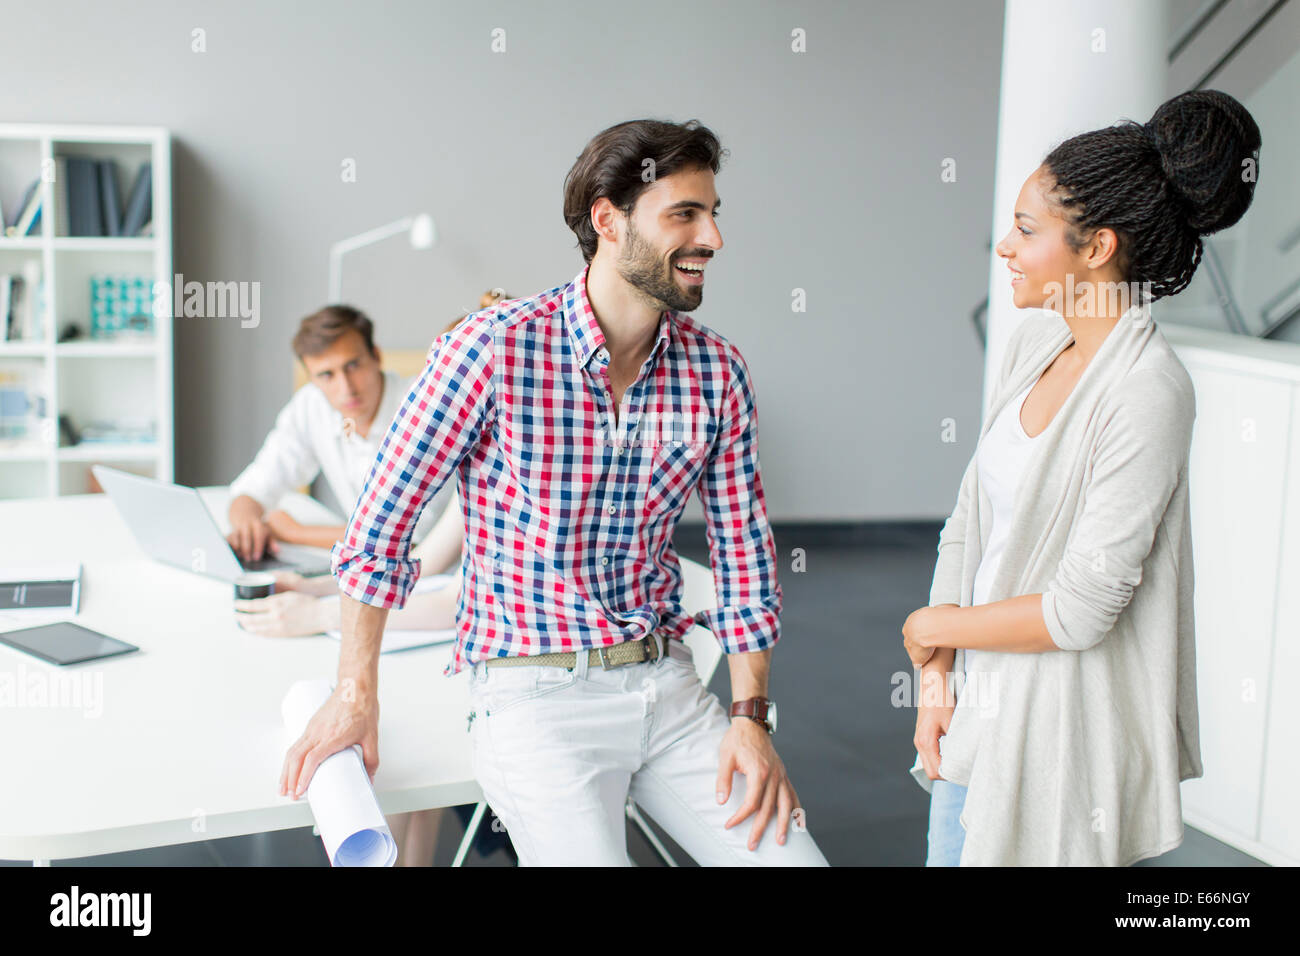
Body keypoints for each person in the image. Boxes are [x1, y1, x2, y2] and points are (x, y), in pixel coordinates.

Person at [279, 118, 828, 866]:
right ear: (609, 219)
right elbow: (380, 530)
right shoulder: (491, 349)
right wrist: (354, 694)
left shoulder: (717, 373)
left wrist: (750, 718)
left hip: (665, 687)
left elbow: (743, 561)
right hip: (533, 700)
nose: (713, 238)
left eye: (714, 213)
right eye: (684, 215)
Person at [902, 89, 1261, 866]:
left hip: (1058, 745)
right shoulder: (1034, 344)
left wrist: (933, 631)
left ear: (1096, 248)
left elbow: (1080, 610)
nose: (1004, 245)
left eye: (1028, 230)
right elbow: (968, 524)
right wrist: (937, 687)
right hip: (975, 719)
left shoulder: (1148, 391)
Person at [225, 304, 449, 564]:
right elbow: (257, 483)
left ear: (376, 356)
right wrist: (247, 525)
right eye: (326, 375)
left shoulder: (423, 408)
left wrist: (294, 532)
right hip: (366, 569)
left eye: (353, 365)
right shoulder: (312, 405)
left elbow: (409, 541)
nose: (346, 388)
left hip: (434, 575)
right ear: (312, 378)